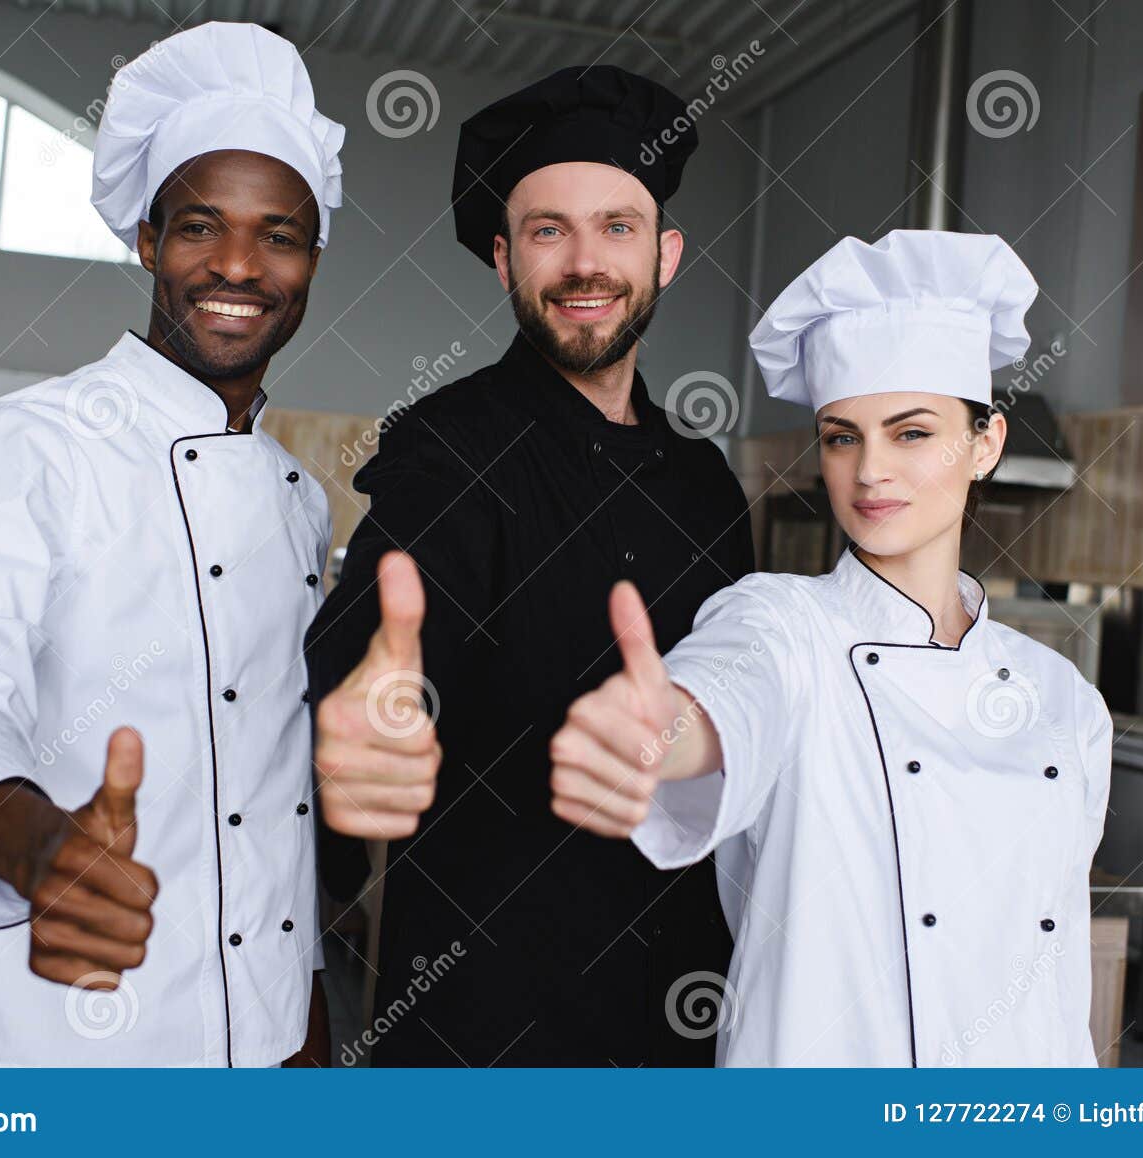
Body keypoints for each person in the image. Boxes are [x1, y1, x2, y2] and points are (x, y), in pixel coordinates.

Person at [0, 23, 344, 1066]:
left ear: (313, 260)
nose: (237, 264)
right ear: (147, 241)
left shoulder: (297, 502)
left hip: (264, 1045)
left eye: (279, 234)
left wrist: (305, 1025)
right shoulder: (28, 445)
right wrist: (43, 848)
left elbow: (278, 799)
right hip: (64, 1044)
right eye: (199, 227)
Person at [547, 229, 1115, 1067]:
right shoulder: (784, 623)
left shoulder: (1064, 699)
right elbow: (726, 697)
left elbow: (1058, 973)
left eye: (912, 433)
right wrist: (658, 728)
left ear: (985, 444)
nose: (870, 471)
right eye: (843, 436)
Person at [306, 66, 753, 1066]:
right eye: (549, 231)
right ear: (503, 259)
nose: (585, 262)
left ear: (666, 254)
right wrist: (365, 715)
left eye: (617, 227)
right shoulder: (449, 449)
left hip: (683, 1014)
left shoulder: (707, 489)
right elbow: (366, 659)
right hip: (484, 1024)